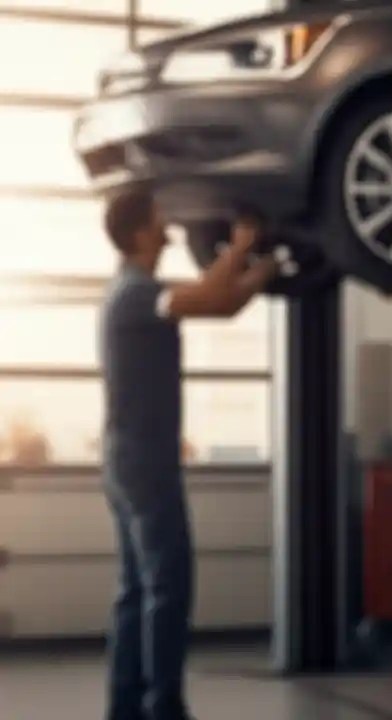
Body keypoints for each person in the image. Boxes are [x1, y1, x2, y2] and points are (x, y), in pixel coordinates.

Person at [98, 189, 278, 720]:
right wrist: (240, 244)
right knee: (166, 585)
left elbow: (222, 304)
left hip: (129, 460)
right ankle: (164, 706)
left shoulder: (133, 293)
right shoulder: (135, 293)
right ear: (139, 233)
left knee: (137, 589)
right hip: (144, 463)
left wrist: (266, 268)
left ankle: (126, 707)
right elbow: (207, 291)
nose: (168, 226)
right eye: (159, 219)